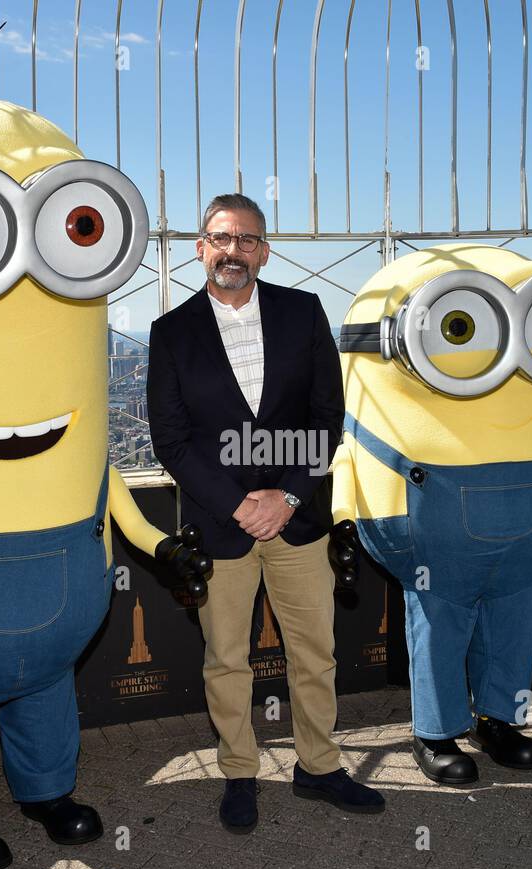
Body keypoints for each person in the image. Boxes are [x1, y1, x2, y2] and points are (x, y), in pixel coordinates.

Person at [147, 193, 385, 832]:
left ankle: (319, 765)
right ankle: (239, 772)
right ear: (201, 248)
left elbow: (326, 420)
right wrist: (237, 504)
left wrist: (285, 496)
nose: (233, 251)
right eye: (221, 238)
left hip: (297, 518)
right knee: (227, 656)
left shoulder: (303, 313)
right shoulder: (170, 332)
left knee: (316, 650)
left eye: (247, 240)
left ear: (264, 250)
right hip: (220, 524)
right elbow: (170, 439)